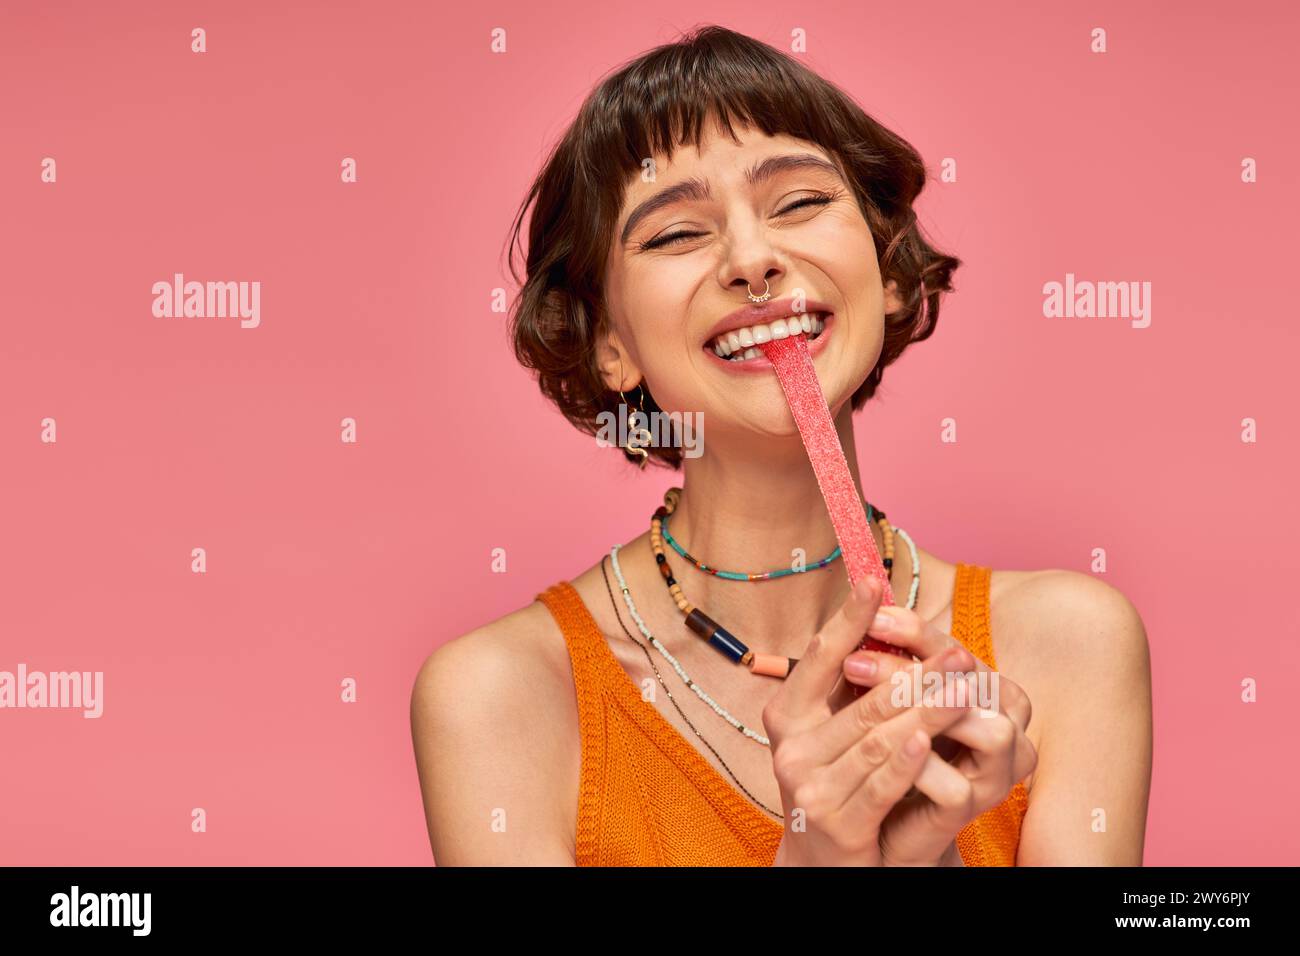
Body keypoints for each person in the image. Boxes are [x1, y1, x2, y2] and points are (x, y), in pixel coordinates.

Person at [411, 24, 1152, 866]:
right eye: (674, 234)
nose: (753, 259)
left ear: (891, 270)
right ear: (609, 346)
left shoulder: (1068, 648)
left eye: (799, 203)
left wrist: (930, 853)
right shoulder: (500, 697)